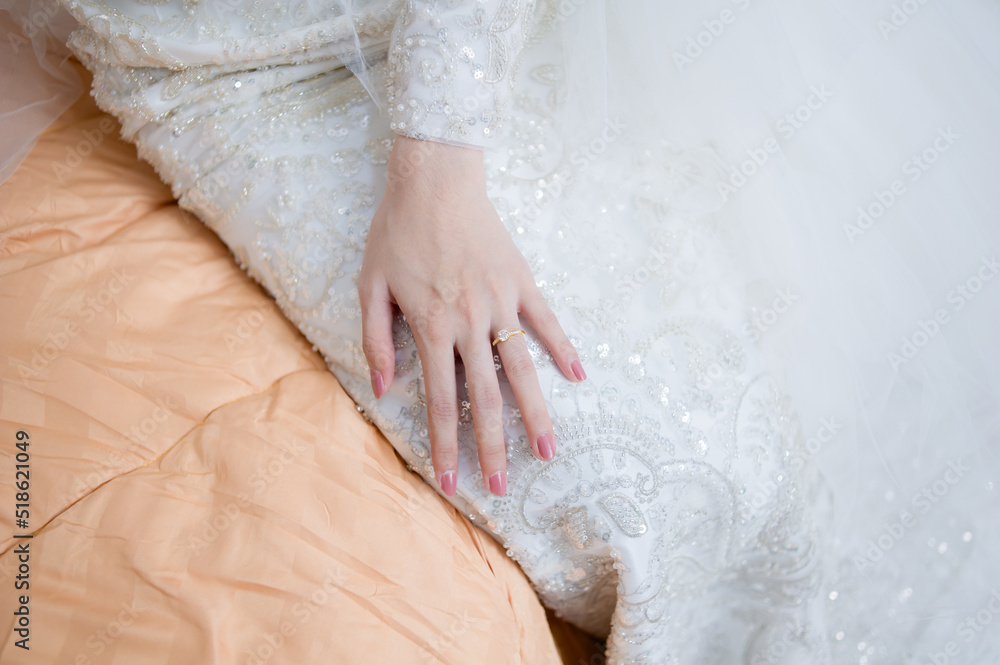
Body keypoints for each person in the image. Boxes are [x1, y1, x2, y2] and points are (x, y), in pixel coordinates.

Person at [4, 0, 1000, 662]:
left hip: (457, 29)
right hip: (213, 67)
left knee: (769, 427)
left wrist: (437, 168)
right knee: (629, 493)